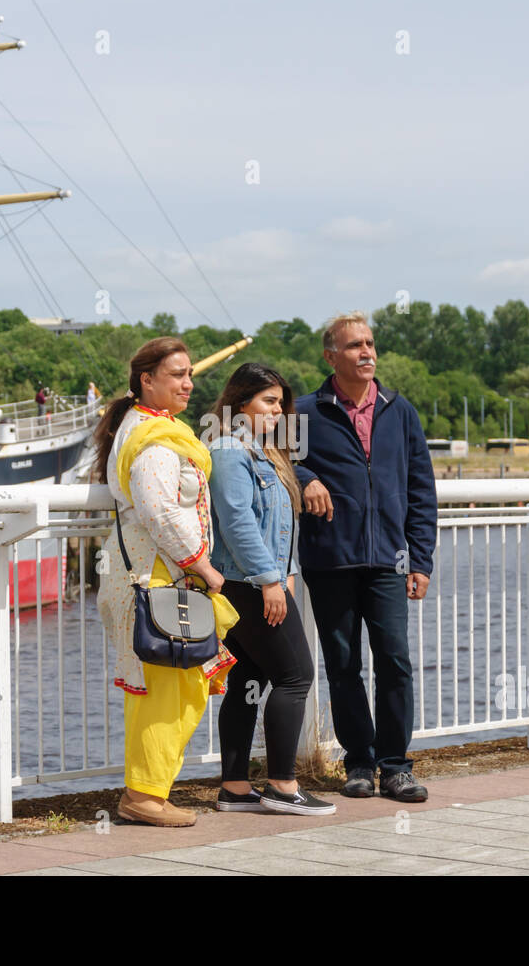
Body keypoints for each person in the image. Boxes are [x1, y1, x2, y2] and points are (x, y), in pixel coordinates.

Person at [93, 337, 238, 827]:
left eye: (190, 373)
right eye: (177, 374)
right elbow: (159, 512)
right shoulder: (153, 440)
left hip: (155, 574)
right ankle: (143, 798)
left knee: (179, 681)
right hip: (156, 575)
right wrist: (205, 567)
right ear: (146, 380)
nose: (188, 383)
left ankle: (149, 791)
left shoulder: (155, 429)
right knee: (166, 687)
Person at [294, 311, 437, 803]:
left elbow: (421, 490)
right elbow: (269, 457)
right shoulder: (305, 412)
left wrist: (421, 560)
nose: (367, 352)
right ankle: (358, 762)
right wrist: (305, 478)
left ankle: (396, 766)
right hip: (330, 558)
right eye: (355, 345)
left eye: (370, 343)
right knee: (343, 662)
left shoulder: (401, 411)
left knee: (395, 660)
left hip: (389, 560)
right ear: (330, 355)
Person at [207, 363, 334, 816]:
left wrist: (288, 577)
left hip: (262, 582)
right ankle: (282, 784)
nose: (278, 411)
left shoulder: (266, 454)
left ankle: (236, 789)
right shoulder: (228, 451)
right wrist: (269, 581)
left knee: (249, 677)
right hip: (246, 584)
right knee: (296, 675)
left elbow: (281, 529)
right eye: (268, 401)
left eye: (281, 403)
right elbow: (239, 524)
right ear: (241, 403)